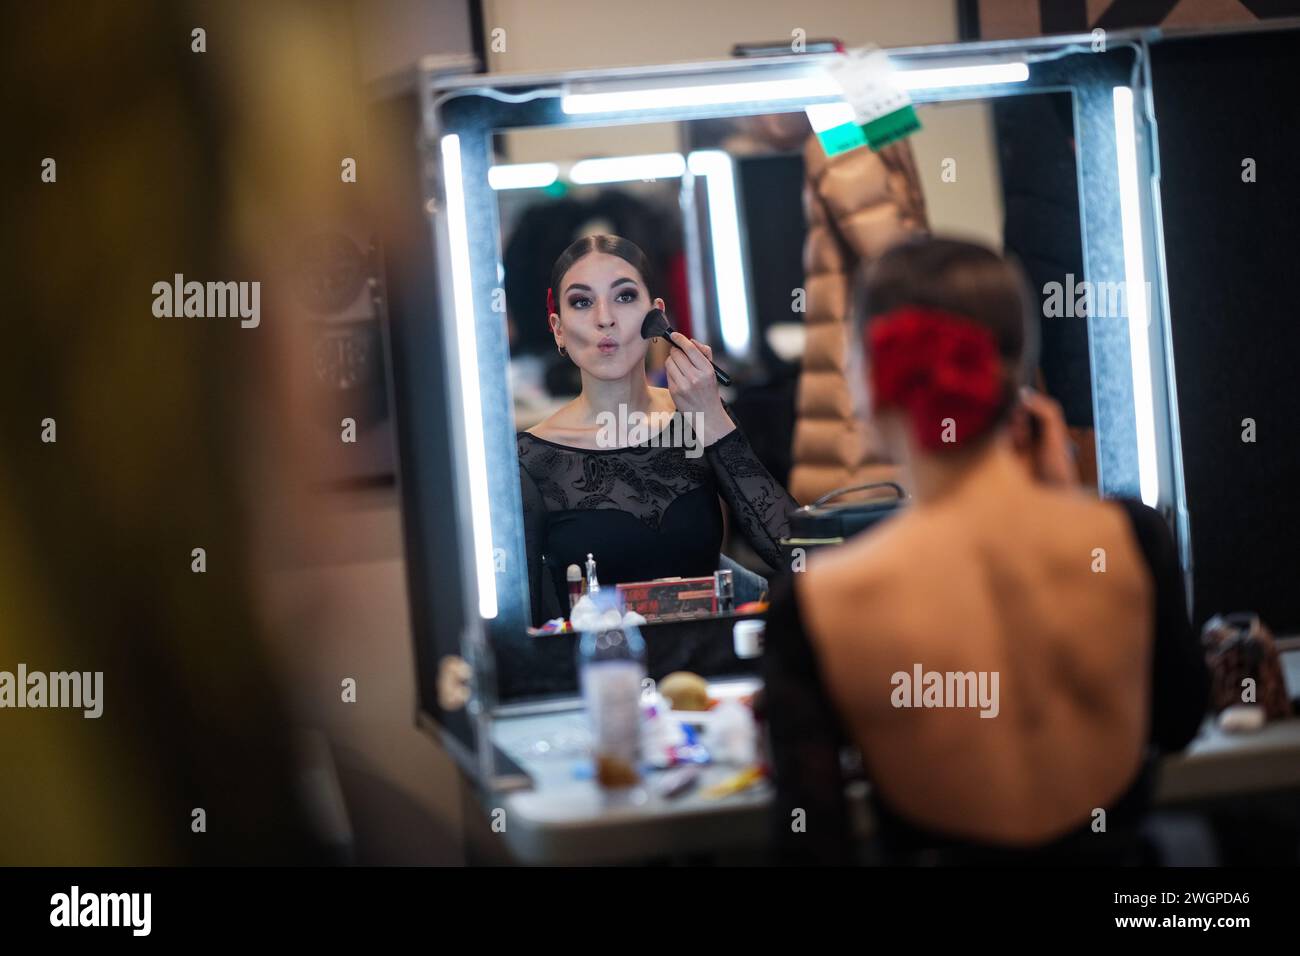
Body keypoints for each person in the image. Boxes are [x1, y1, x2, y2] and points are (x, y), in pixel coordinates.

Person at [762, 236, 1209, 865]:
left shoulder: (820, 601)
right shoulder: (1129, 539)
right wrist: (1065, 502)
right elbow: (1178, 721)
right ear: (1019, 368)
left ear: (869, 376)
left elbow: (813, 846)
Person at [517, 234, 798, 626]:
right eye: (582, 301)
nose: (604, 318)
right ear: (558, 328)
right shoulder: (532, 460)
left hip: (711, 676)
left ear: (657, 316)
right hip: (603, 678)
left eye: (625, 296)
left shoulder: (697, 419)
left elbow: (799, 557)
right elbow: (527, 626)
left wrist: (711, 417)